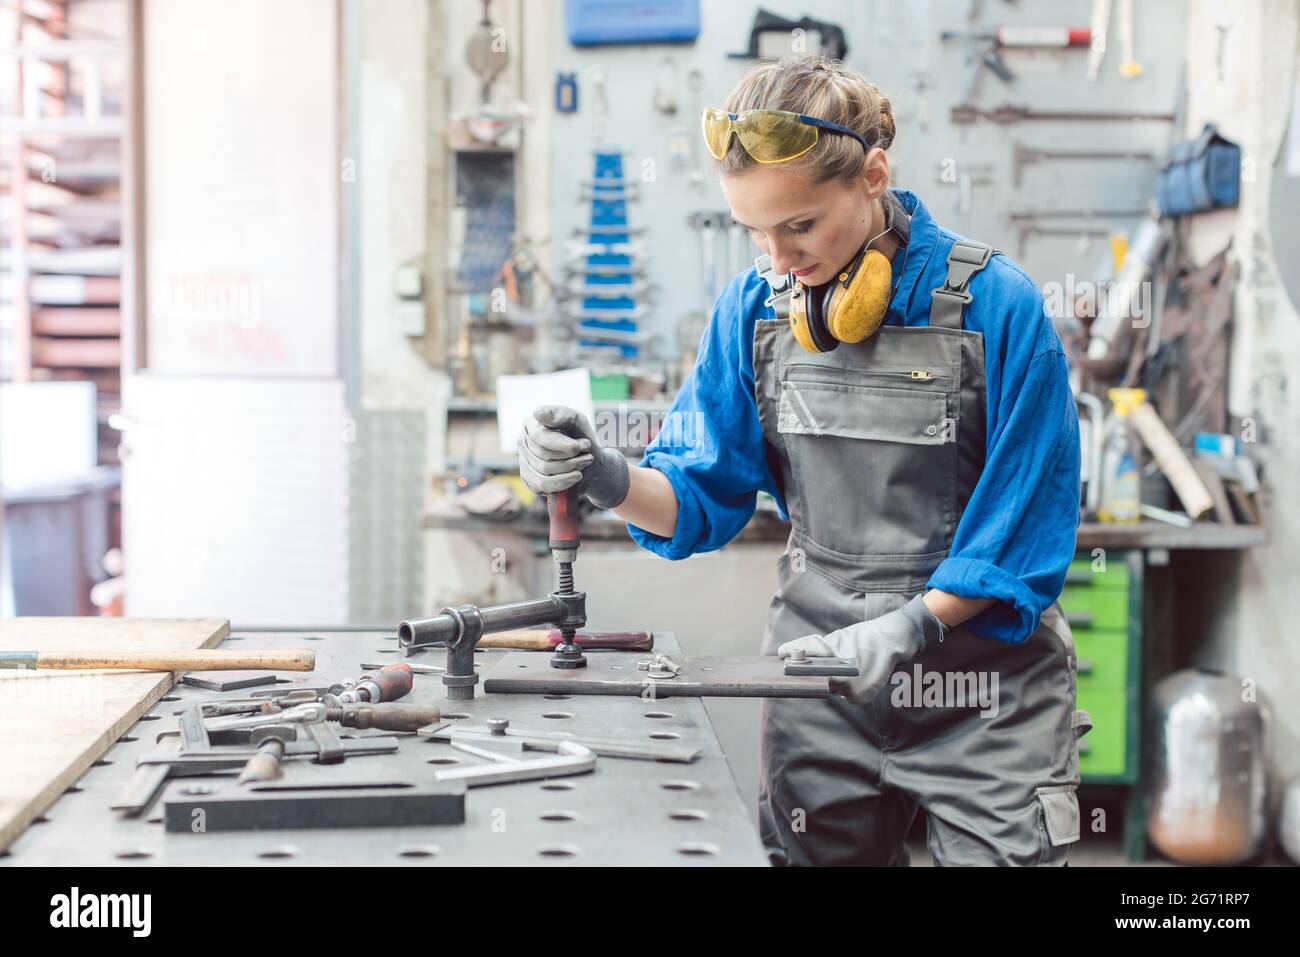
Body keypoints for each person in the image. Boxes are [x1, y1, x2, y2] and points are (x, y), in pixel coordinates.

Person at [517, 56, 1084, 866]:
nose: (779, 258)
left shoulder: (999, 307)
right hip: (819, 685)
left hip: (982, 696)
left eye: (800, 226)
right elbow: (693, 498)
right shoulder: (755, 309)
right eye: (755, 231)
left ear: (873, 175)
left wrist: (914, 621)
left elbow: (1021, 534)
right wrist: (603, 473)